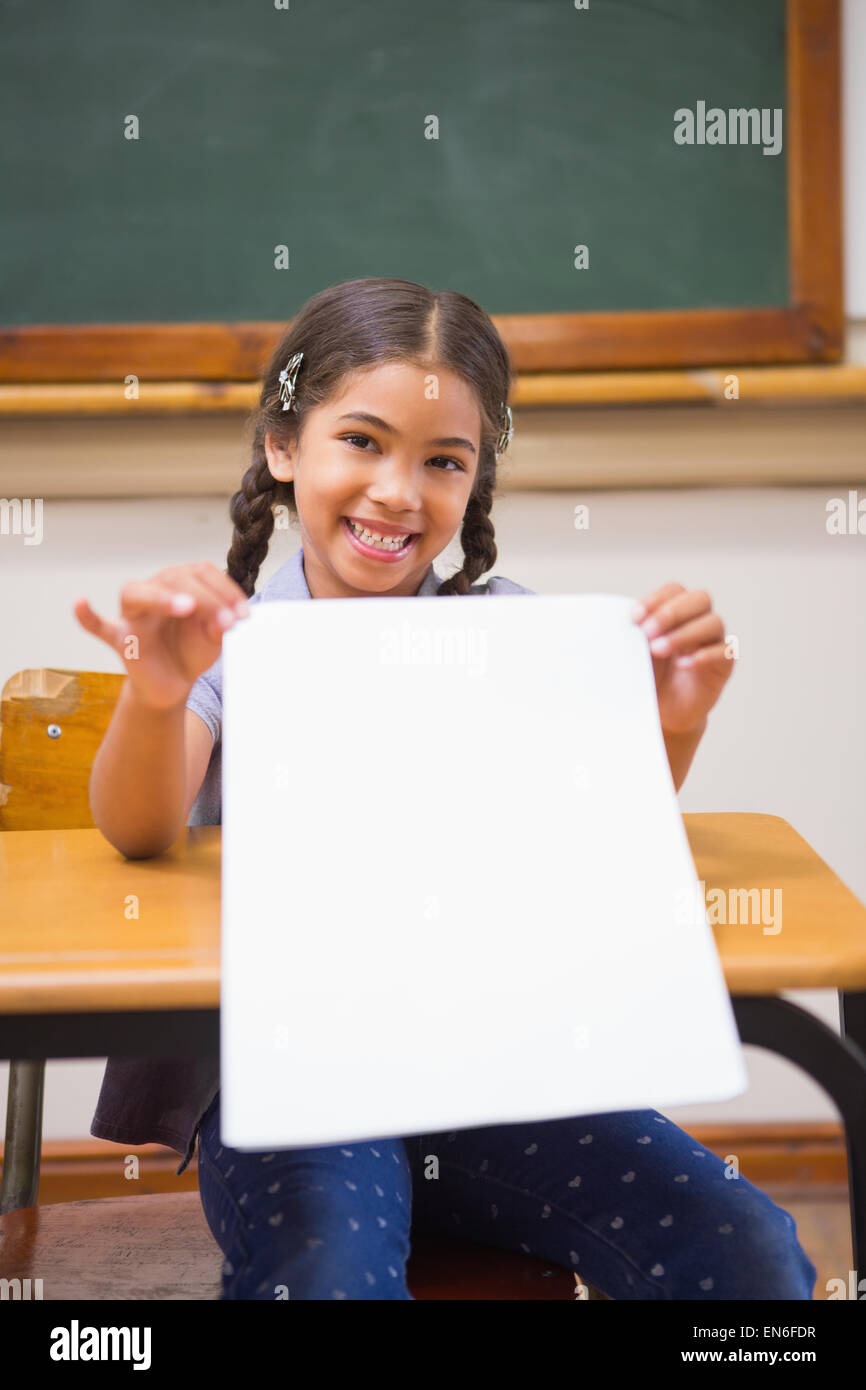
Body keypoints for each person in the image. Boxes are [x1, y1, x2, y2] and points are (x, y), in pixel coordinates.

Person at [75, 276, 817, 1301]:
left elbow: (595, 826)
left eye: (442, 461)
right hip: (293, 1073)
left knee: (743, 1241)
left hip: (486, 1063)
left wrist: (673, 719)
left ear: (475, 483)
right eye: (362, 441)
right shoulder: (228, 639)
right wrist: (155, 696)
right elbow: (139, 828)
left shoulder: (509, 632)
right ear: (283, 448)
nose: (397, 491)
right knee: (330, 1271)